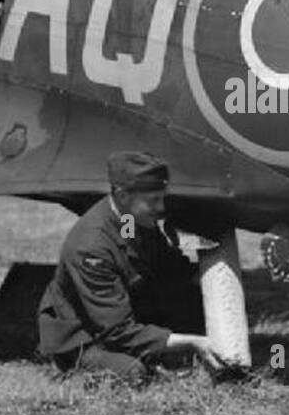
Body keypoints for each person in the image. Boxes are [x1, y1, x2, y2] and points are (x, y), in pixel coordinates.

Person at [38, 150, 222, 383]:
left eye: (162, 197)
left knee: (194, 302)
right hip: (86, 335)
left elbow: (164, 266)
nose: (161, 207)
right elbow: (115, 331)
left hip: (126, 311)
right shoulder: (91, 248)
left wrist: (205, 275)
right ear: (123, 195)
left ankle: (159, 356)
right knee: (133, 373)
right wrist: (191, 341)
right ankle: (71, 367)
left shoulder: (131, 217)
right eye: (153, 200)